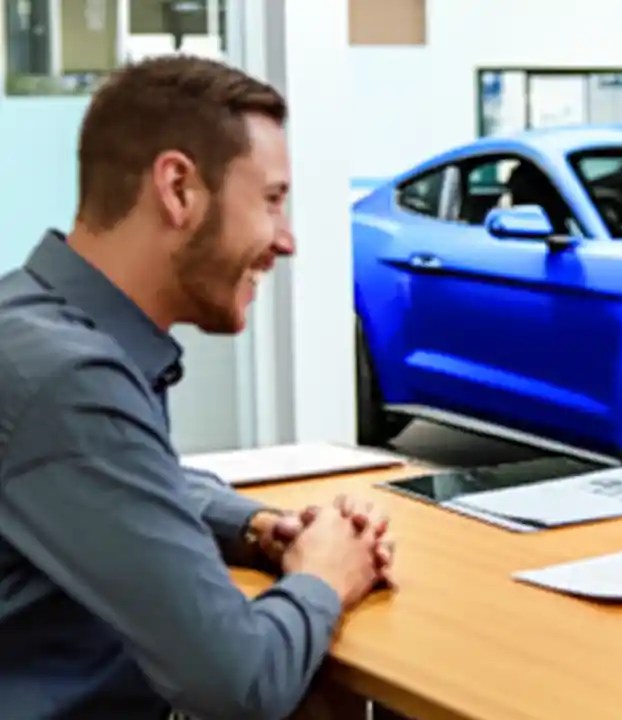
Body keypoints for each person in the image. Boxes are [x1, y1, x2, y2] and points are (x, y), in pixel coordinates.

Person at [0, 56, 396, 718]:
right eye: (271, 200)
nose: (287, 239)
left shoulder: (30, 322)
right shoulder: (69, 379)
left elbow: (125, 477)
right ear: (179, 188)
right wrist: (326, 574)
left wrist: (262, 528)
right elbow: (237, 685)